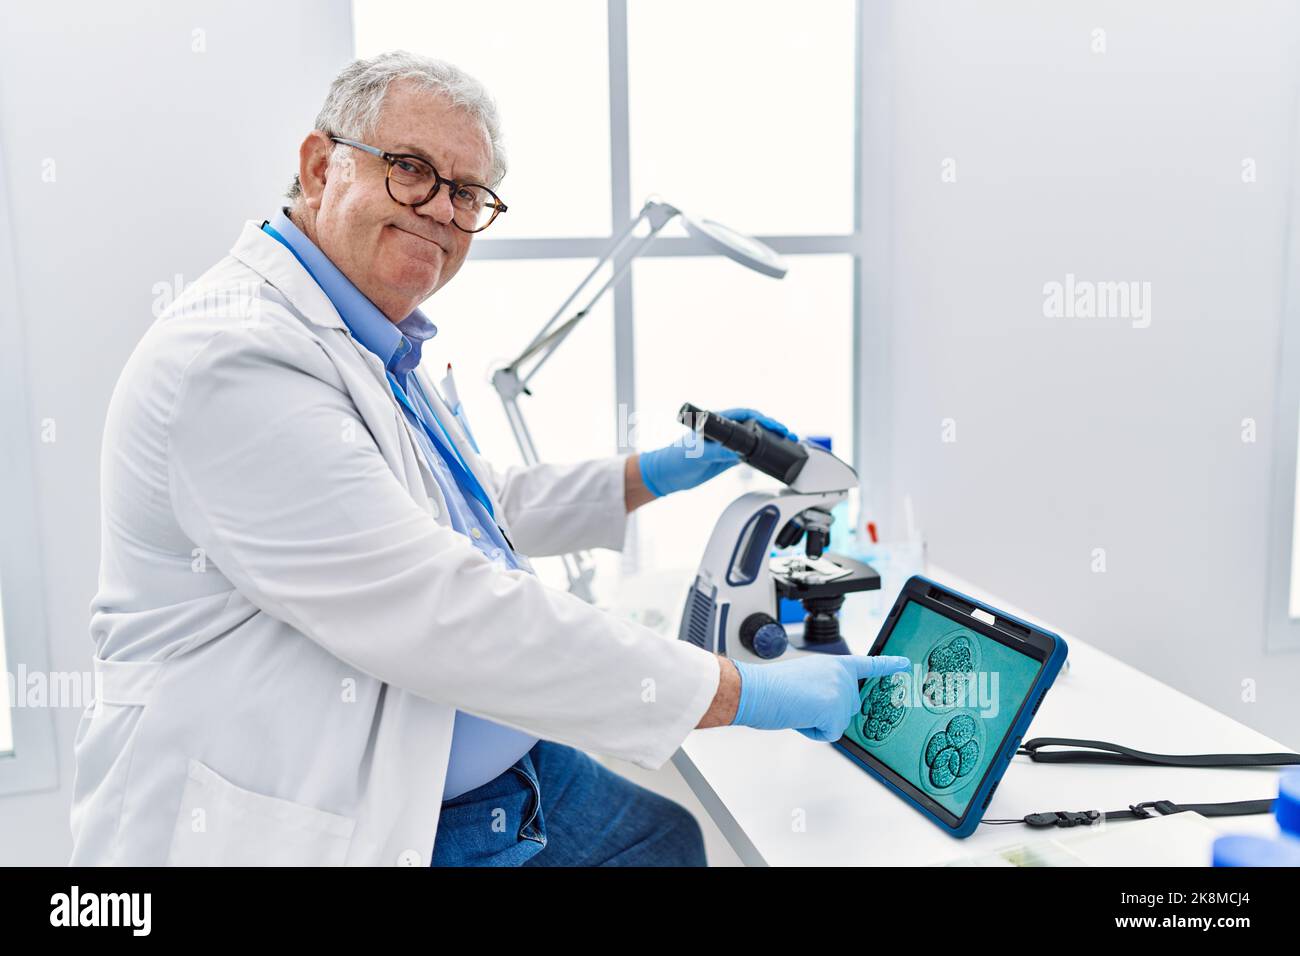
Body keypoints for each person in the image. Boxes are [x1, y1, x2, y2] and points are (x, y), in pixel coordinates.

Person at [70, 51, 908, 867]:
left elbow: (475, 511)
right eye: (410, 168)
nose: (441, 208)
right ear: (321, 166)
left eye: (468, 192)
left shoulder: (371, 337)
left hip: (496, 762)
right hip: (345, 801)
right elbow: (443, 605)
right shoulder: (236, 359)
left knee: (661, 839)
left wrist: (649, 472)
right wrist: (740, 692)